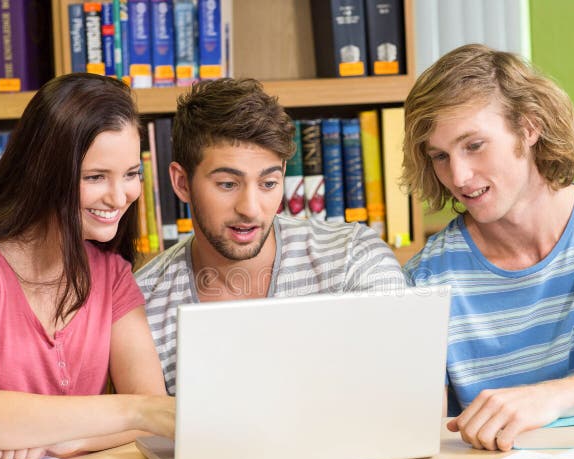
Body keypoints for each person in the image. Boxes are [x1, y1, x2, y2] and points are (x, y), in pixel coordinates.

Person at [401, 44, 574, 451]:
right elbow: (419, 433)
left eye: (474, 145)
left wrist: (547, 398)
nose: (458, 176)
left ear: (529, 128)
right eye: (441, 156)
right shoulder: (426, 277)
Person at [0, 73, 174, 459]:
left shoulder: (112, 275)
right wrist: (136, 410)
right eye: (95, 177)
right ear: (44, 174)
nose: (119, 195)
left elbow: (154, 412)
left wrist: (68, 440)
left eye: (131, 174)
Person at [135, 78, 406, 394]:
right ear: (182, 183)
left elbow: (403, 396)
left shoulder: (354, 258)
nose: (251, 209)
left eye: (268, 184)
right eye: (227, 184)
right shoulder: (142, 304)